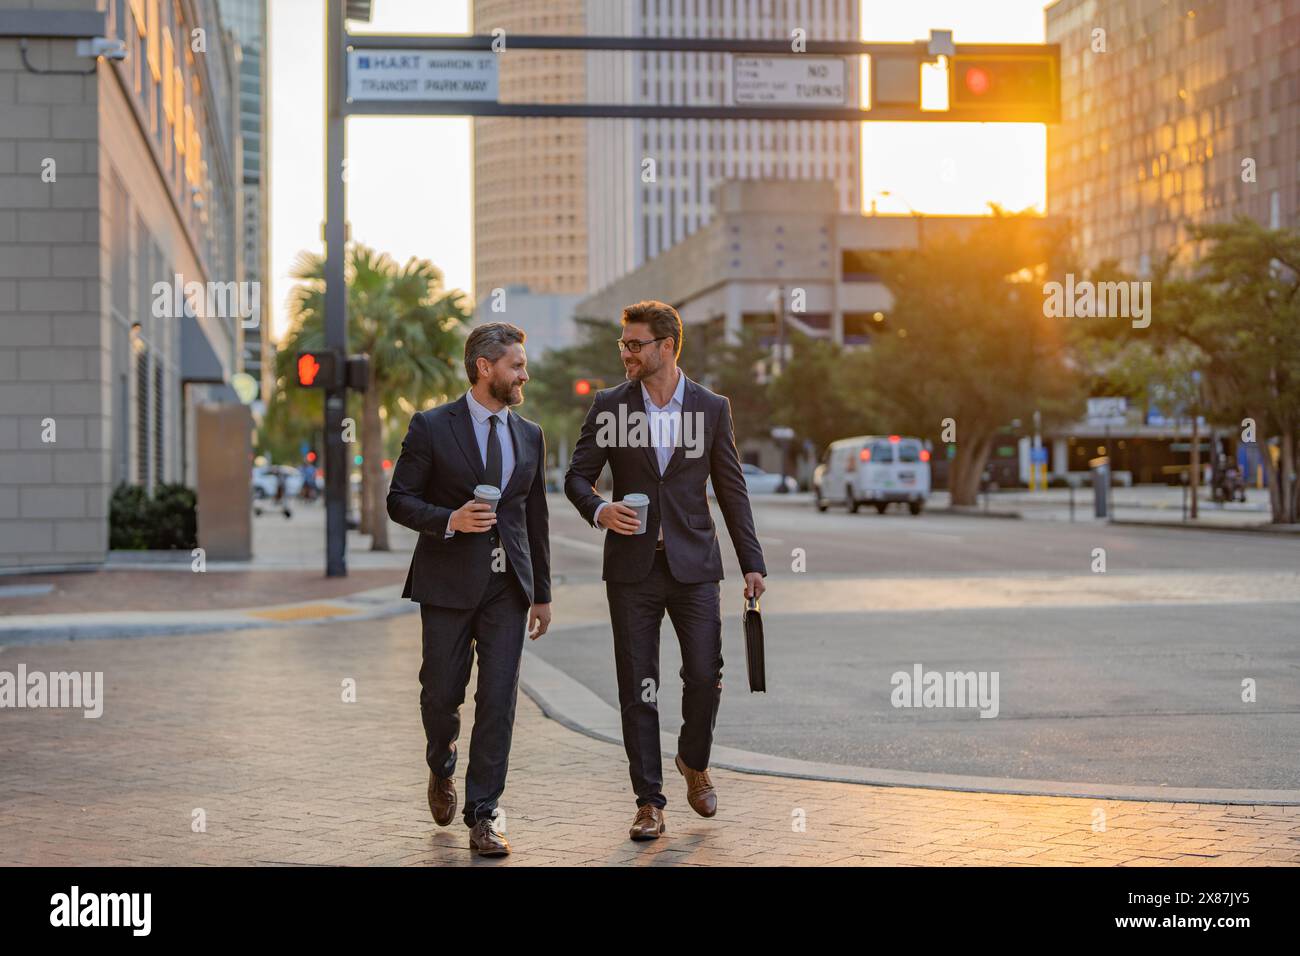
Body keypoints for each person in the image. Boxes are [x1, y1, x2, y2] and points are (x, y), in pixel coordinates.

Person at [564, 299, 766, 842]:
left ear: (667, 347)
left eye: (634, 344)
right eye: (623, 344)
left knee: (704, 674)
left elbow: (731, 487)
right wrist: (599, 509)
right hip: (632, 571)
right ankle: (649, 801)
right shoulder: (610, 406)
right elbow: (577, 478)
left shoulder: (710, 407)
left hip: (696, 566)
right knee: (639, 686)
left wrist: (751, 561)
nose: (625, 353)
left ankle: (693, 761)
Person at [386, 323, 552, 857]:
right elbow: (400, 499)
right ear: (485, 368)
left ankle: (484, 815)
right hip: (447, 584)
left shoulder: (529, 434)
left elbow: (535, 516)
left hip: (508, 588)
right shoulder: (432, 426)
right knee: (441, 694)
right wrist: (451, 519)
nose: (524, 374)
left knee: (499, 699)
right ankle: (441, 764)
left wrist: (541, 591)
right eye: (516, 365)